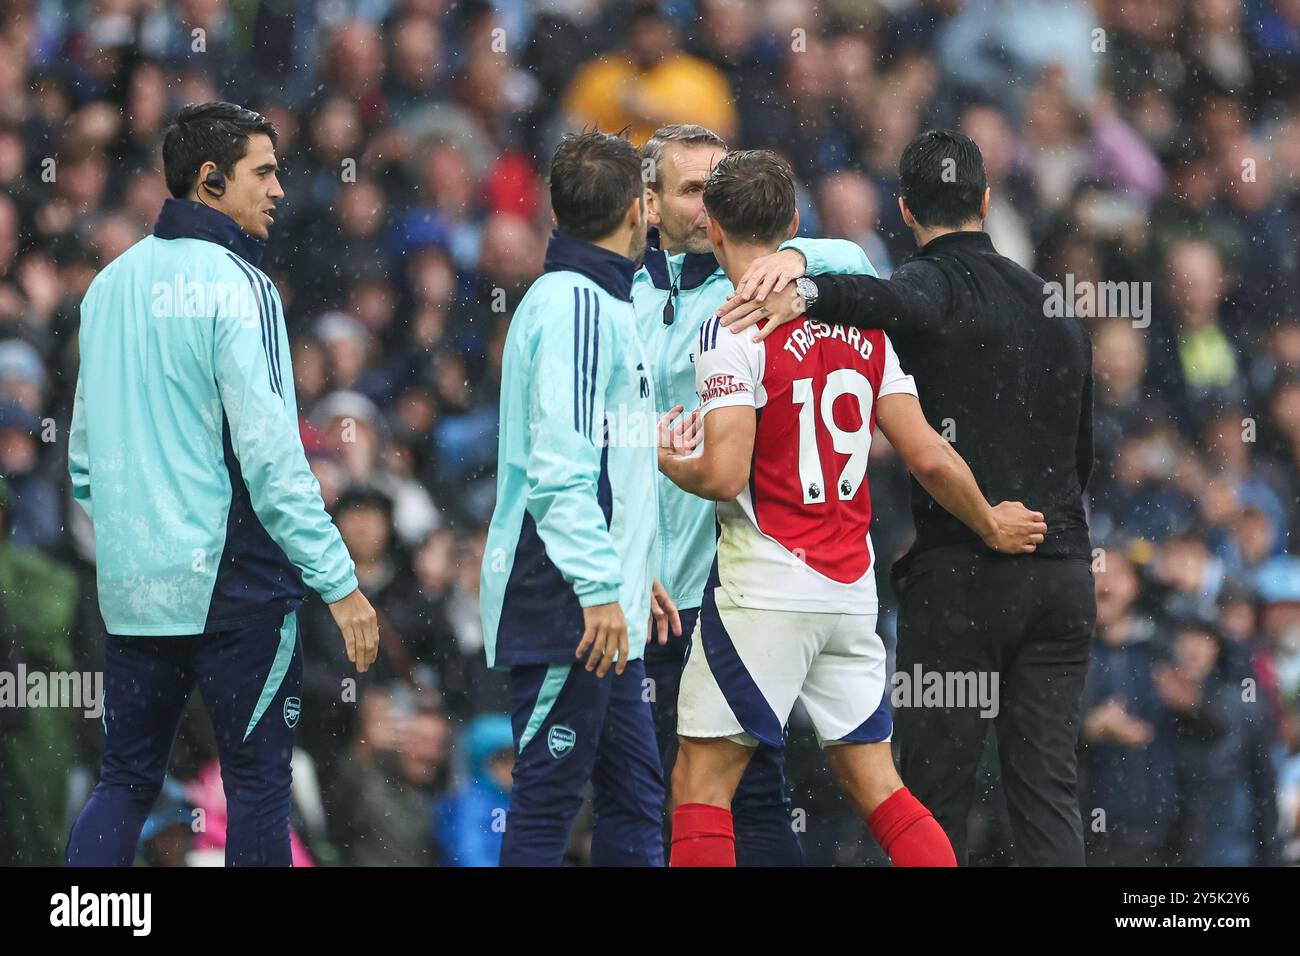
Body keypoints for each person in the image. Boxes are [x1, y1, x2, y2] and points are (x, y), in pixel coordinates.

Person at [718, 129, 1096, 866]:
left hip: (964, 576)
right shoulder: (1057, 306)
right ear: (985, 202)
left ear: (903, 211)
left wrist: (807, 291)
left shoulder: (933, 286)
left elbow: (889, 299)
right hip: (1062, 571)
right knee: (1048, 789)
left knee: (930, 792)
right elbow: (1082, 456)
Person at [65, 102, 379, 867]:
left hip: (138, 587)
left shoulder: (108, 287)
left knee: (126, 779)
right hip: (237, 583)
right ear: (211, 180)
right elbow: (273, 460)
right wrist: (340, 584)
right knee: (260, 785)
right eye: (263, 172)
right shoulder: (244, 285)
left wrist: (146, 541)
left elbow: (81, 462)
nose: (279, 188)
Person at [636, 123, 878, 865]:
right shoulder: (617, 302)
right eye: (692, 189)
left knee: (744, 795)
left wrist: (792, 260)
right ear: (649, 205)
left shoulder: (753, 294)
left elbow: (858, 260)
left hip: (735, 580)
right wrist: (617, 558)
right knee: (643, 797)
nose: (711, 203)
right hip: (643, 591)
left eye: (719, 188)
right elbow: (594, 443)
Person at [479, 130, 674, 867]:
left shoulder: (588, 300)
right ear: (637, 208)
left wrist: (631, 567)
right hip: (567, 602)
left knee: (632, 797)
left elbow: (607, 466)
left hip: (600, 600)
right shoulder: (580, 309)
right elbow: (562, 471)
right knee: (547, 801)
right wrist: (597, 586)